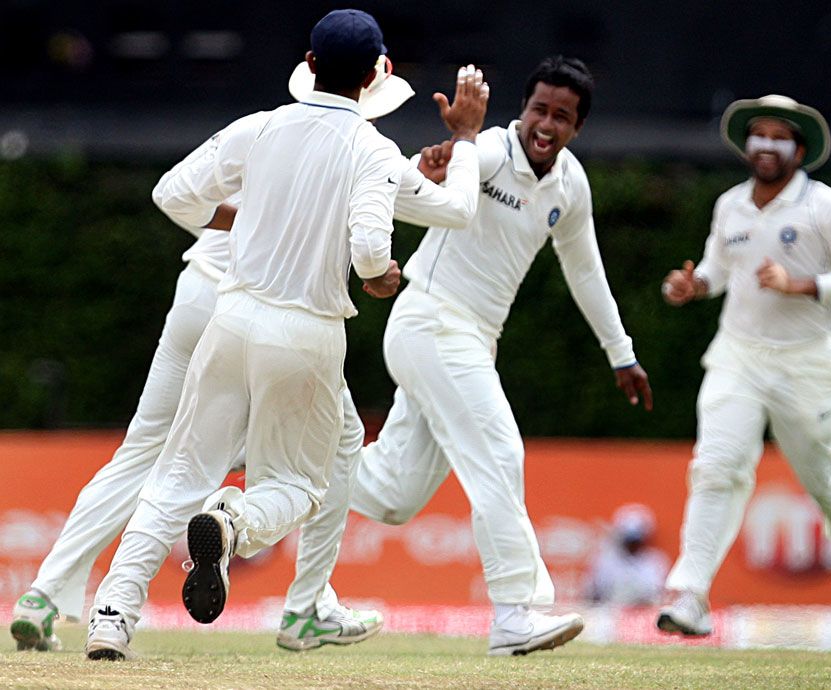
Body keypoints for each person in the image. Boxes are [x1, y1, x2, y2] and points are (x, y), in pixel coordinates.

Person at [10, 35, 488, 655]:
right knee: (302, 481)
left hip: (226, 316)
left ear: (309, 64)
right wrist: (466, 143)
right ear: (377, 75)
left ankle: (109, 612)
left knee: (170, 469)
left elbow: (172, 194)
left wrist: (255, 215)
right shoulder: (372, 149)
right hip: (304, 333)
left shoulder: (261, 126)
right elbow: (414, 229)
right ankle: (245, 536)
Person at [277, 55, 653, 657]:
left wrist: (621, 353)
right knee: (500, 452)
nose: (546, 125)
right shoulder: (490, 152)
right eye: (539, 109)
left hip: (472, 339)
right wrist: (432, 162)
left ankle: (276, 464)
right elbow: (404, 195)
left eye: (561, 116)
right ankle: (514, 615)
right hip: (431, 322)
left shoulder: (570, 184)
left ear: (577, 127)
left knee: (392, 495)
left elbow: (586, 271)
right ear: (522, 109)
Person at [656, 94, 831, 636]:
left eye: (780, 137)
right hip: (738, 354)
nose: (767, 145)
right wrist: (692, 285)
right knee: (716, 465)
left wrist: (799, 284)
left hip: (805, 362)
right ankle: (691, 595)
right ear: (746, 145)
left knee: (818, 474)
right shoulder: (730, 205)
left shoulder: (826, 207)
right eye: (759, 134)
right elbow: (716, 268)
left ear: (799, 151)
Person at [583, 503, 669, 606]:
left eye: (636, 540)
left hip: (645, 612)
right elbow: (591, 594)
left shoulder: (655, 562)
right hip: (610, 611)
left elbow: (660, 596)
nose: (632, 545)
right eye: (628, 539)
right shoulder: (605, 561)